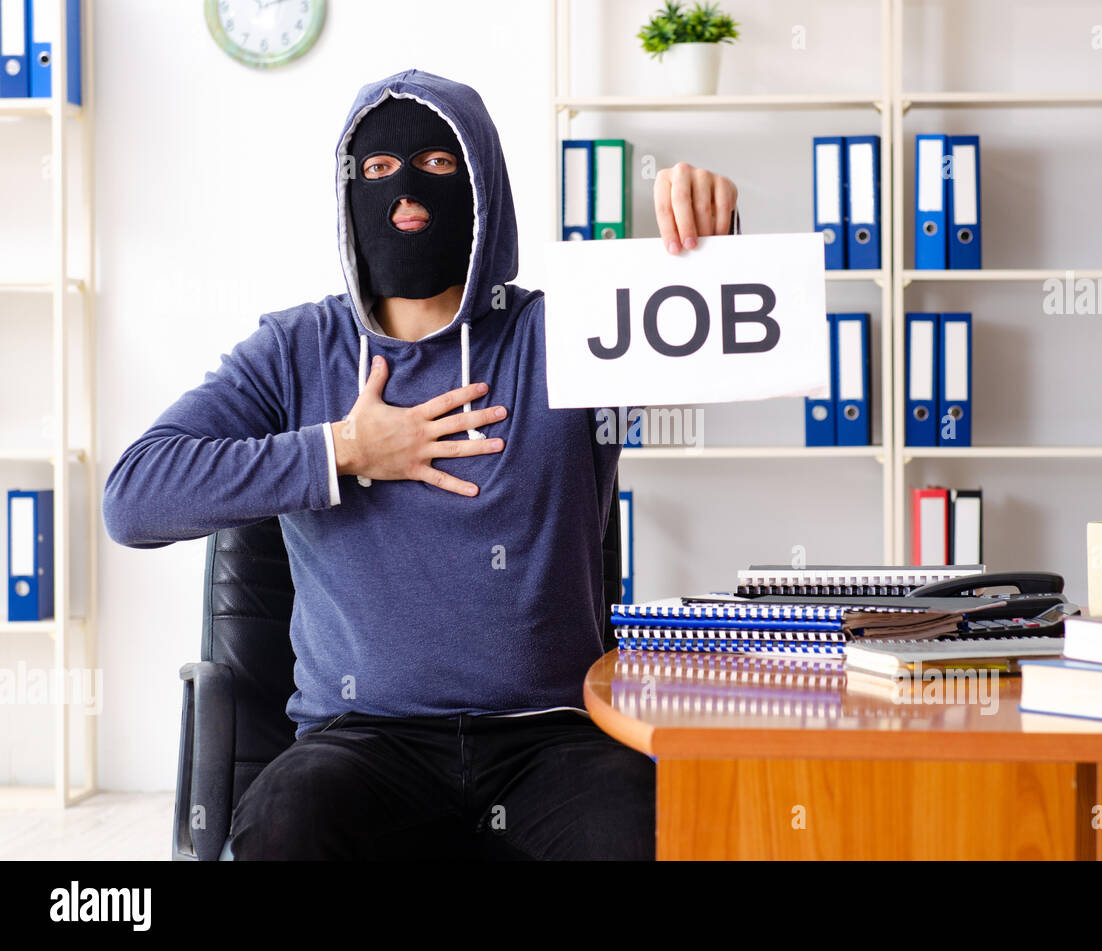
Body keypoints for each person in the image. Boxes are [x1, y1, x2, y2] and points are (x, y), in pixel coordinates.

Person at [101, 68, 738, 860]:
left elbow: (718, 352)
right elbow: (132, 499)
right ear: (349, 194)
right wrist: (344, 449)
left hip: (548, 740)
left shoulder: (567, 331)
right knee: (284, 828)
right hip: (361, 739)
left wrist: (710, 243)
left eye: (437, 166)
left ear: (482, 189)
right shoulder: (295, 351)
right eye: (377, 171)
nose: (405, 192)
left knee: (655, 834)